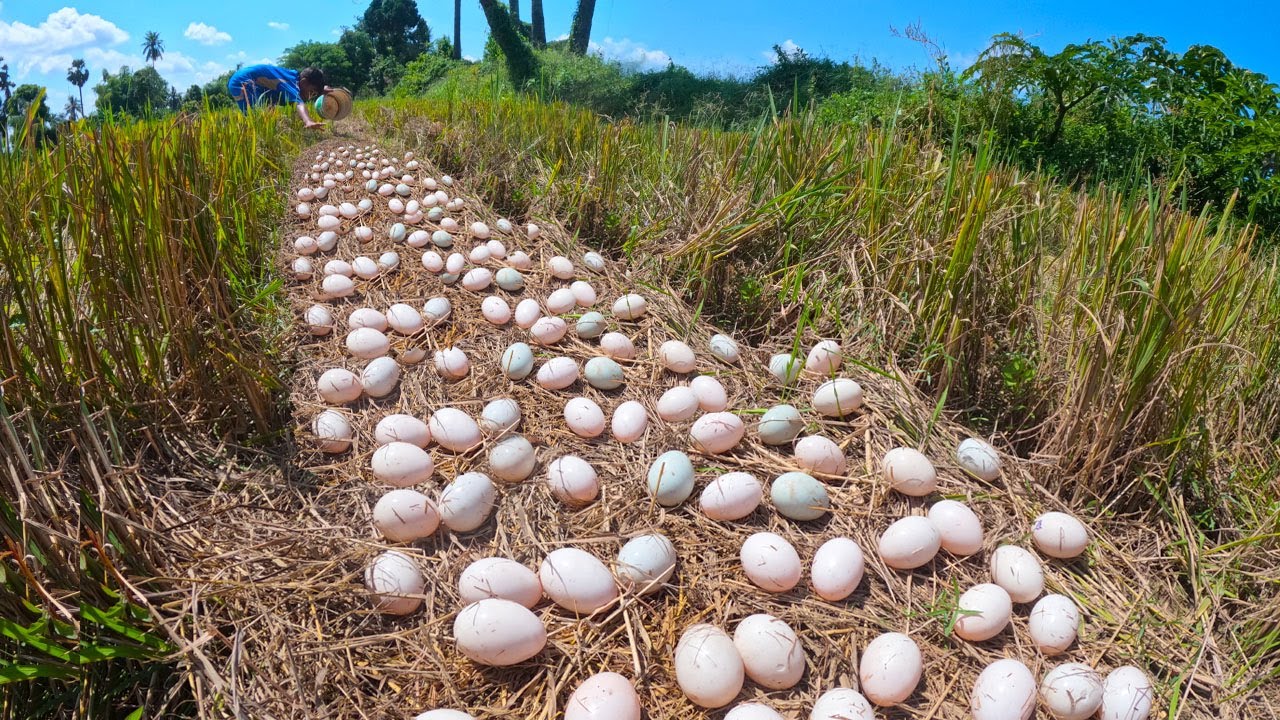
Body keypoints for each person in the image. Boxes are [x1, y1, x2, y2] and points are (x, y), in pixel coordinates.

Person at [227, 64, 330, 129]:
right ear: (303, 82)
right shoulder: (290, 84)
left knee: (268, 116)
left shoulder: (293, 77)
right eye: (311, 92)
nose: (310, 96)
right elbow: (299, 103)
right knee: (257, 120)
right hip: (243, 82)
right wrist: (308, 121)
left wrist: (321, 90)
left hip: (254, 82)